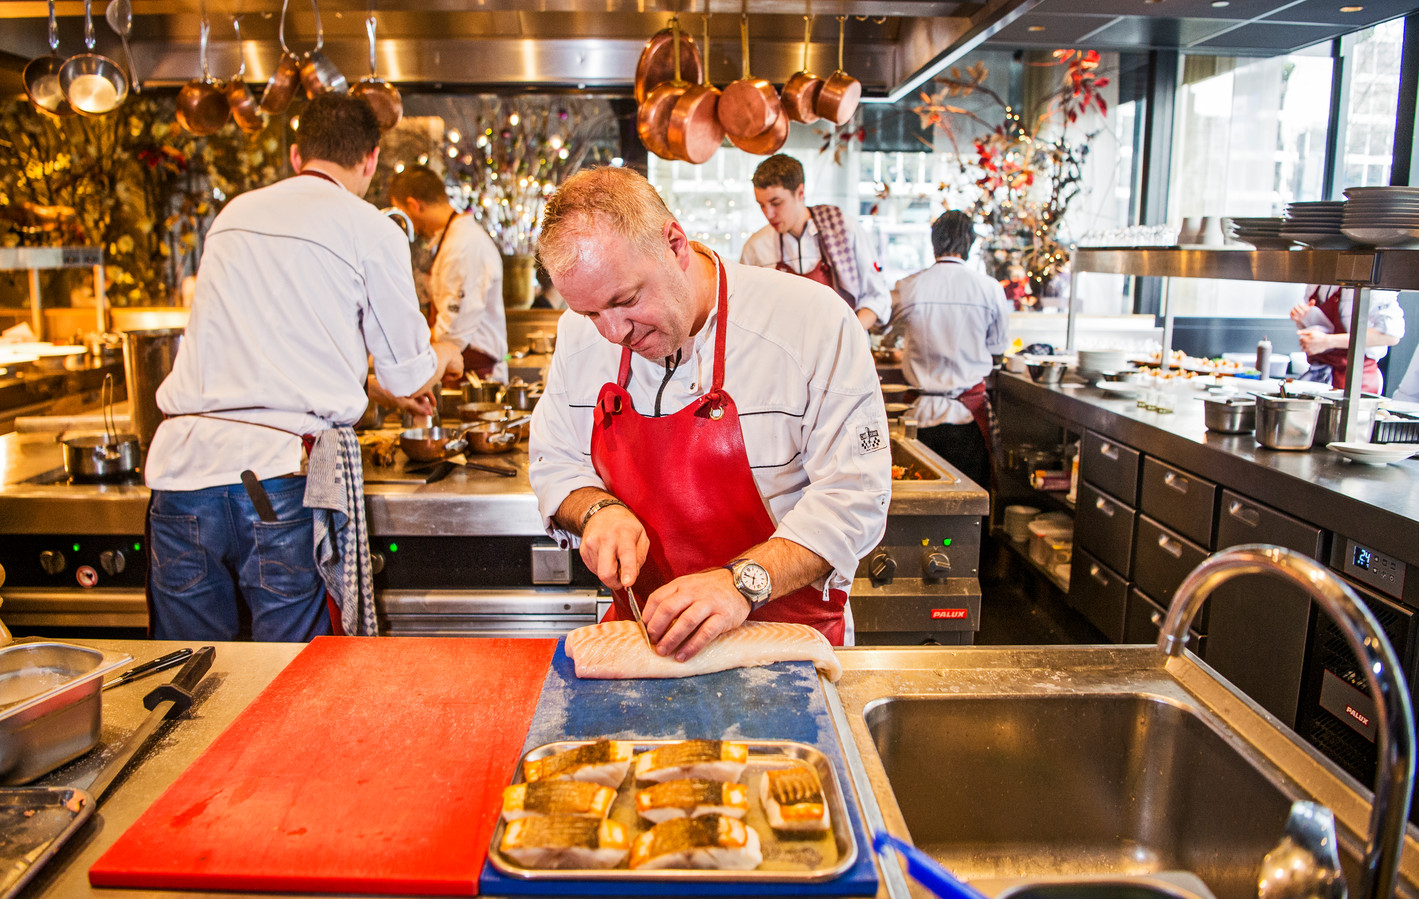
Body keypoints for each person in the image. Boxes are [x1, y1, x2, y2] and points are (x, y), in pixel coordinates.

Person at [529, 166, 891, 661]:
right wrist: (597, 511)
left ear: (675, 244)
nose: (612, 333)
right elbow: (556, 460)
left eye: (626, 300)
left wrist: (741, 584)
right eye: (591, 314)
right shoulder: (577, 338)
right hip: (647, 647)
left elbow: (855, 495)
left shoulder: (813, 321)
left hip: (787, 644)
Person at [144, 94, 456, 642]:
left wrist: (374, 392)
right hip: (271, 481)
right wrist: (445, 357)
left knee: (186, 675)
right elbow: (410, 372)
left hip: (179, 474)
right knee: (287, 681)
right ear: (371, 160)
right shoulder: (371, 228)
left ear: (295, 156)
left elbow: (271, 346)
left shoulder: (233, 215)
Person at [888, 210, 1010, 490]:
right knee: (967, 506)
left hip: (919, 416)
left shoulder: (909, 287)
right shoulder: (990, 288)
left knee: (923, 500)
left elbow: (881, 324)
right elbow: (997, 348)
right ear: (971, 244)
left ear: (934, 244)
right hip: (966, 415)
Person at [740, 154, 890, 331]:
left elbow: (877, 297)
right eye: (761, 205)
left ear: (800, 193)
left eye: (776, 203)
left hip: (842, 349)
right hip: (785, 354)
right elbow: (745, 311)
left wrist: (848, 335)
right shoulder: (756, 247)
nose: (768, 214)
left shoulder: (845, 230)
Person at [388, 165, 509, 384]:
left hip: (473, 378)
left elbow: (453, 332)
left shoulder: (463, 245)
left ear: (414, 205)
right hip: (459, 368)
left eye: (402, 212)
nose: (408, 224)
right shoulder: (452, 238)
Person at [1291, 284, 1404, 393]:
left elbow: (1391, 336)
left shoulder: (1372, 285)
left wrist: (1328, 341)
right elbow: (1313, 330)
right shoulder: (1318, 281)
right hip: (1319, 377)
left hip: (1356, 379)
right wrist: (1303, 318)